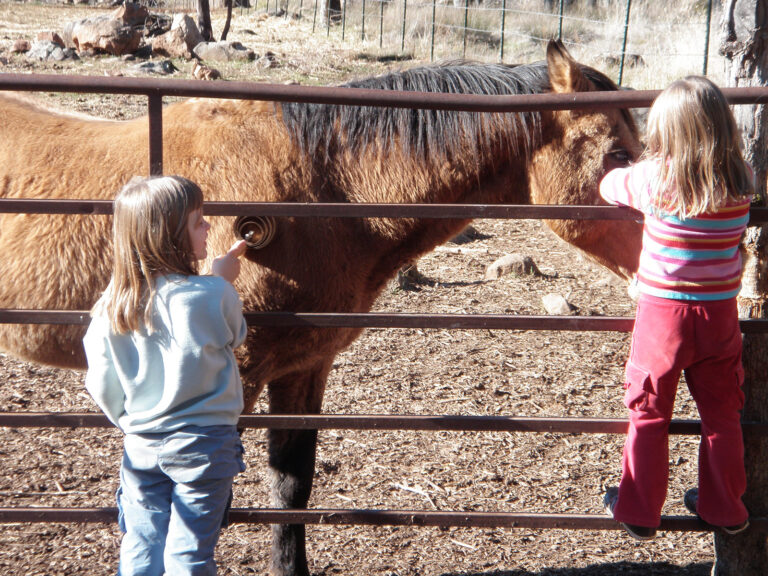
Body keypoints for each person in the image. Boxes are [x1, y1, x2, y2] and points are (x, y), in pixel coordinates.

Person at [599, 76, 753, 540]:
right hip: (720, 317)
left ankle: (638, 509)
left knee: (648, 408)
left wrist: (617, 164)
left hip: (664, 318)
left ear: (668, 131)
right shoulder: (741, 181)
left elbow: (610, 186)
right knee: (723, 411)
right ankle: (725, 508)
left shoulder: (654, 178)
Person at [83, 175, 249, 575]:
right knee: (189, 552)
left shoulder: (112, 305)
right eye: (198, 221)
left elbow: (101, 379)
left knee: (141, 543)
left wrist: (129, 421)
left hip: (141, 443)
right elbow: (236, 335)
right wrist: (220, 278)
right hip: (205, 445)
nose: (208, 227)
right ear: (170, 236)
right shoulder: (213, 294)